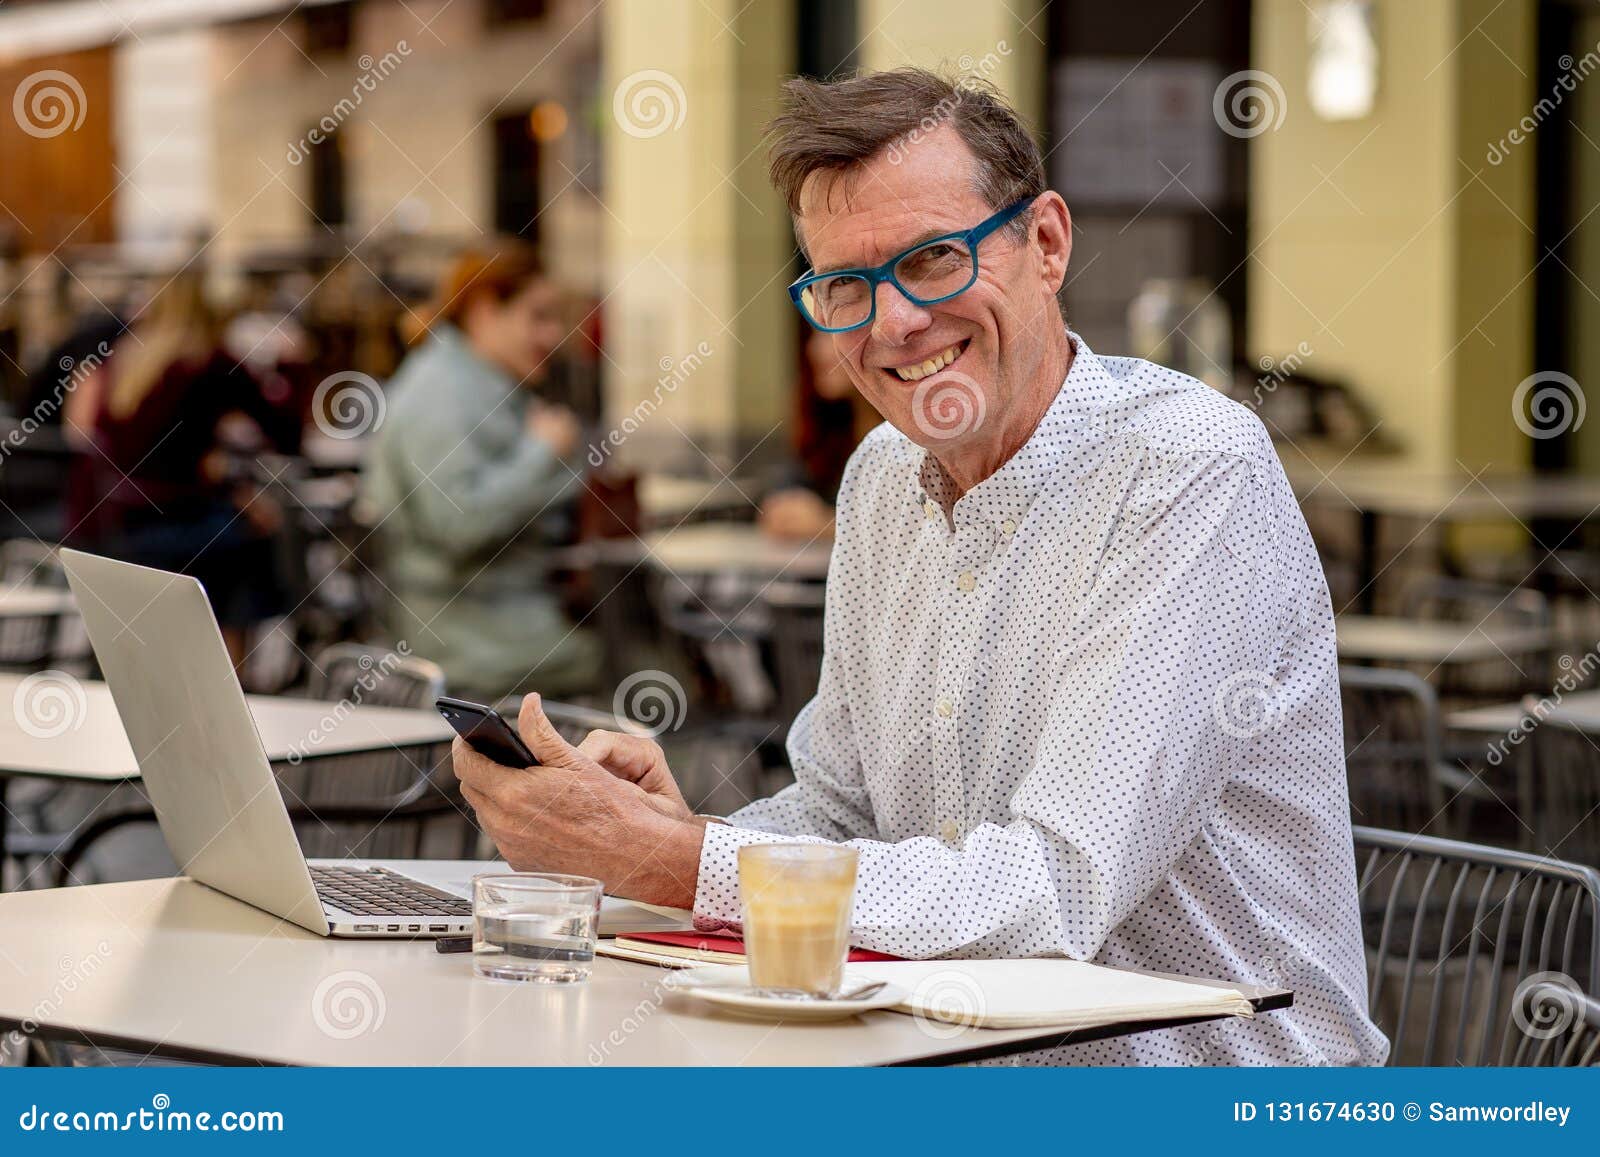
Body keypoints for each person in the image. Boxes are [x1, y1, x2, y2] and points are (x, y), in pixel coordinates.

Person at [452, 69, 1387, 1066]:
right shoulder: (881, 474)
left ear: (1048, 243)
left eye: (934, 260)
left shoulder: (1187, 471)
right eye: (846, 286)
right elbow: (839, 809)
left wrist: (681, 861)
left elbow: (1054, 884)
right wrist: (678, 827)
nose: (892, 322)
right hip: (949, 1059)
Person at [362, 241, 600, 702]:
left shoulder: (478, 383)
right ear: (485, 311)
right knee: (647, 652)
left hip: (501, 613)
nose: (552, 336)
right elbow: (460, 523)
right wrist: (540, 451)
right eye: (538, 317)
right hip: (472, 634)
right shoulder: (443, 394)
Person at [63, 271, 299, 665]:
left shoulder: (123, 360)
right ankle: (233, 672)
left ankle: (180, 667)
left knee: (246, 518)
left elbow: (118, 447)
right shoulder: (209, 360)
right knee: (262, 537)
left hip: (121, 527)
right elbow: (286, 433)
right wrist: (291, 365)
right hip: (183, 526)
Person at [758, 326, 879, 542]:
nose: (814, 350)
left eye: (829, 336)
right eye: (816, 336)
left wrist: (827, 525)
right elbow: (787, 486)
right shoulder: (830, 430)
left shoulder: (911, 438)